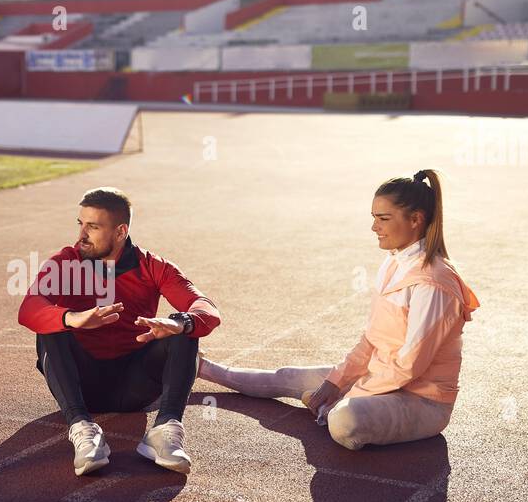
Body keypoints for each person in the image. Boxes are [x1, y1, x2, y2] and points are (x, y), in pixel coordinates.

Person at [199, 169, 479, 450]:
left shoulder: (434, 283)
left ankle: (332, 411)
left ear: (416, 219)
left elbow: (410, 365)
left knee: (345, 420)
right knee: (287, 376)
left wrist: (352, 393)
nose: (374, 227)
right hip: (379, 377)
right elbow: (372, 339)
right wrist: (337, 381)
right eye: (374, 218)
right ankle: (203, 368)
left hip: (422, 401)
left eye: (383, 219)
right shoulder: (394, 263)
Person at [18, 187, 221, 475]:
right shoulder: (66, 262)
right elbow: (29, 308)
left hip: (135, 386)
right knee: (51, 325)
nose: (81, 235)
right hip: (82, 383)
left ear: (120, 231)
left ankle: (165, 431)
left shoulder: (153, 267)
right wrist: (71, 318)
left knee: (185, 329)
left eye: (93, 227)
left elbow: (206, 308)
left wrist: (180, 322)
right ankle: (82, 429)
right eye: (81, 224)